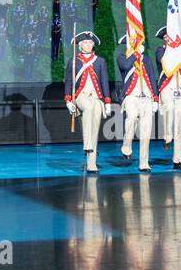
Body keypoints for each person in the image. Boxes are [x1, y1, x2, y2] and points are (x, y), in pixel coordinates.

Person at [64, 31, 112, 174]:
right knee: (89, 108)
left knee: (95, 127)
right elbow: (68, 82)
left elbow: (104, 82)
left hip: (96, 97)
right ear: (80, 46)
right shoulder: (73, 61)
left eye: (91, 43)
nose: (89, 44)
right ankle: (87, 145)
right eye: (85, 42)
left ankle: (92, 164)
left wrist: (107, 101)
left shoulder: (100, 61)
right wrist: (68, 100)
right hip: (80, 96)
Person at [115, 34, 159, 172]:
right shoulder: (122, 58)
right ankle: (127, 145)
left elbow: (152, 78)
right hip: (131, 96)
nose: (136, 44)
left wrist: (156, 98)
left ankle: (144, 163)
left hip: (146, 97)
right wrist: (135, 54)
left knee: (146, 130)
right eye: (132, 43)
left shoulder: (146, 59)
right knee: (132, 117)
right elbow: (126, 66)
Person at [154, 26, 181, 169]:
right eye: (166, 38)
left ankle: (178, 159)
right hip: (166, 86)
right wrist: (173, 48)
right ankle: (167, 136)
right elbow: (162, 60)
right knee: (169, 108)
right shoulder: (161, 51)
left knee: (180, 122)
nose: (168, 39)